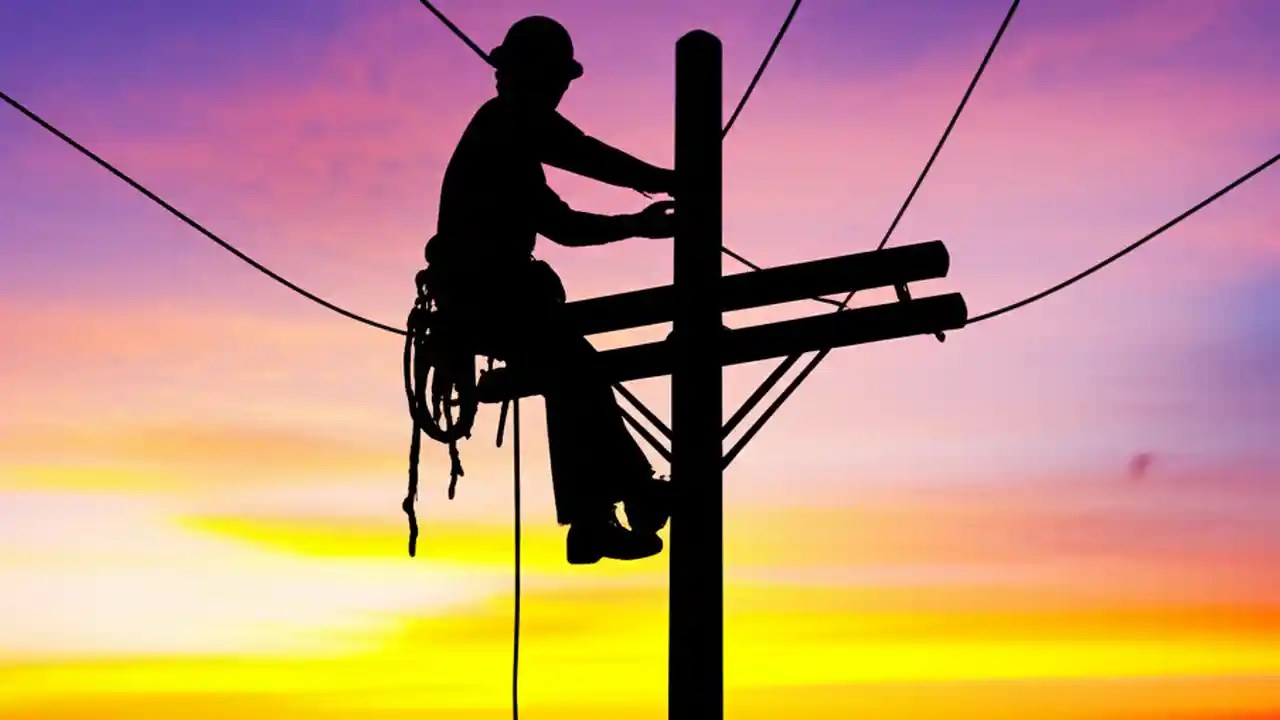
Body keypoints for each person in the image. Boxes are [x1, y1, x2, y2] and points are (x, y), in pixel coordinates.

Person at [425, 16, 675, 564]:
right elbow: (581, 151)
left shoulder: (510, 148)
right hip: (485, 294)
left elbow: (561, 225)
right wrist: (666, 180)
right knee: (577, 372)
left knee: (575, 376)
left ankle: (608, 511)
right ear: (529, 76)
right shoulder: (505, 123)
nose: (563, 91)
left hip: (489, 296)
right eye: (557, 79)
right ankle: (610, 507)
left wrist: (636, 224)